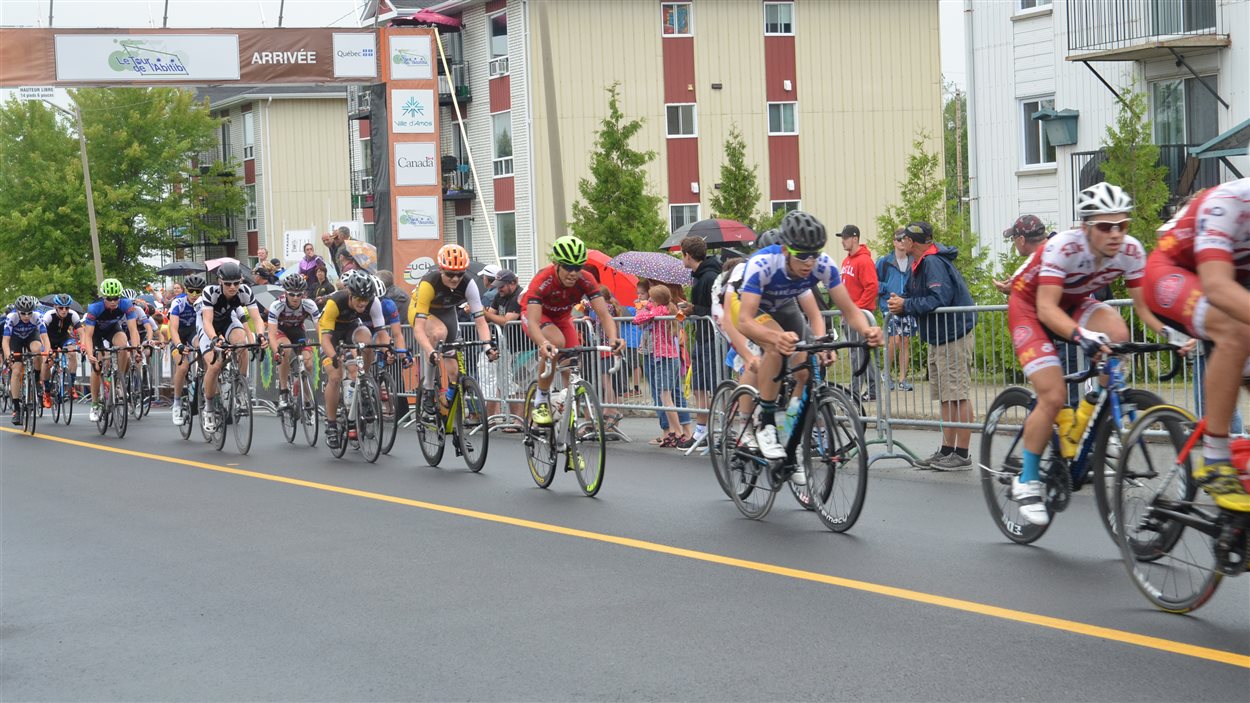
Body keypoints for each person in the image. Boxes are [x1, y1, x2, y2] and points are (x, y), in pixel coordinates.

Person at [1001, 183, 1189, 524]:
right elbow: (1045, 309)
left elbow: (1143, 307)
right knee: (1054, 394)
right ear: (1086, 227)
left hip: (1072, 303)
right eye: (1105, 226)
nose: (1116, 233)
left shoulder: (1131, 251)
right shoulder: (1063, 247)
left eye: (1123, 224)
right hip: (1031, 307)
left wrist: (1172, 334)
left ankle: (1090, 415)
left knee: (1119, 332)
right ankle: (1027, 479)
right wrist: (1081, 336)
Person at [737, 212, 884, 477]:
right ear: (785, 251)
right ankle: (766, 423)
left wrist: (867, 329)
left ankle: (788, 436)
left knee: (805, 371)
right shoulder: (764, 263)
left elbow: (849, 310)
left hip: (783, 305)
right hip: (752, 307)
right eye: (802, 255)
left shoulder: (822, 265)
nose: (809, 262)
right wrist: (775, 337)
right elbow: (744, 321)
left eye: (814, 254)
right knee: (775, 346)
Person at [1143, 177, 1250, 511]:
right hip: (1170, 274)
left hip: (1230, 282)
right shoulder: (1230, 201)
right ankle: (1216, 459)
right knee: (1235, 331)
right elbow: (1217, 287)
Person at [887, 221, 978, 472]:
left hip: (953, 335)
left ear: (912, 242)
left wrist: (905, 305)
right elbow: (915, 296)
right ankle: (947, 451)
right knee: (947, 397)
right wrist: (902, 301)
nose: (901, 242)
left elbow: (939, 298)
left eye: (904, 238)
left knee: (957, 395)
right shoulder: (921, 263)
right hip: (941, 336)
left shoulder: (932, 262)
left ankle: (962, 454)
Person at [523, 235, 624, 427]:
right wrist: (543, 344)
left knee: (572, 361)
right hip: (537, 316)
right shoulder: (543, 280)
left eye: (578, 267)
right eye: (568, 267)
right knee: (556, 343)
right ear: (556, 265)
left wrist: (614, 338)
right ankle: (541, 400)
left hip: (561, 318)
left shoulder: (586, 279)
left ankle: (568, 415)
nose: (573, 273)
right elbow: (534, 323)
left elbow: (604, 314)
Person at [408, 245, 497, 417]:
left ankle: (449, 399)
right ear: (441, 269)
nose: (455, 278)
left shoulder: (469, 284)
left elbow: (480, 321)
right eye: (450, 274)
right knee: (438, 333)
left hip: (447, 312)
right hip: (424, 312)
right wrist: (430, 351)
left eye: (460, 273)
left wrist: (488, 348)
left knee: (455, 372)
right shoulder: (429, 283)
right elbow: (419, 329)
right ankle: (428, 389)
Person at [319, 269, 388, 449]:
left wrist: (388, 349)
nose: (362, 303)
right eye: (358, 299)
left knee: (367, 339)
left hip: (351, 328)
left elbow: (381, 332)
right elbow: (325, 339)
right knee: (334, 377)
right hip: (331, 333)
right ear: (350, 294)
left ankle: (363, 378)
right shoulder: (336, 302)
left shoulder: (373, 301)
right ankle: (331, 424)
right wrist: (334, 357)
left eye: (366, 300)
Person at [197, 263, 263, 433]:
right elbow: (207, 322)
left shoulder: (245, 291)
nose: (232, 287)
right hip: (208, 324)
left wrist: (261, 336)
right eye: (228, 284)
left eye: (236, 283)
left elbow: (256, 318)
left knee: (242, 342)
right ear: (220, 281)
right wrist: (214, 339)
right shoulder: (210, 292)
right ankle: (209, 408)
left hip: (227, 320)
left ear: (241, 281)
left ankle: (240, 388)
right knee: (214, 366)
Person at [635, 284, 695, 446]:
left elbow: (638, 319)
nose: (648, 301)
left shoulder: (661, 310)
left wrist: (643, 308)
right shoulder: (670, 309)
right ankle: (675, 431)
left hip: (665, 357)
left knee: (666, 397)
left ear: (657, 300)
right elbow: (679, 318)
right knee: (665, 396)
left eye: (651, 299)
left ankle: (678, 432)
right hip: (664, 356)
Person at [677, 236, 722, 449]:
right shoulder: (699, 276)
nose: (681, 258)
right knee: (699, 386)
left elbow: (718, 308)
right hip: (702, 336)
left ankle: (717, 430)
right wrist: (693, 307)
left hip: (712, 338)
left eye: (681, 254)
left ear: (688, 255)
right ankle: (701, 431)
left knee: (713, 386)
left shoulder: (710, 276)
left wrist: (695, 310)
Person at [81, 279, 141, 423]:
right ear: (103, 297)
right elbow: (88, 336)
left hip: (112, 329)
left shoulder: (126, 303)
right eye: (109, 299)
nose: (113, 302)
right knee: (97, 366)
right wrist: (90, 354)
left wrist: (137, 349)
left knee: (124, 346)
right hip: (96, 333)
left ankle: (118, 381)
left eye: (116, 298)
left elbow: (133, 329)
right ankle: (95, 404)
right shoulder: (94, 307)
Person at [837, 224, 880, 402]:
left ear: (855, 238)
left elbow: (872, 287)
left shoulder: (864, 260)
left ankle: (857, 391)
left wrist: (856, 309)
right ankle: (870, 389)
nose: (842, 241)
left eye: (845, 238)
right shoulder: (846, 261)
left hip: (861, 315)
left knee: (859, 354)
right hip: (850, 314)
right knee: (861, 354)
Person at [267, 272, 322, 412]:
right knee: (285, 350)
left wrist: (324, 344)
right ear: (285, 293)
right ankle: (284, 392)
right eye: (292, 294)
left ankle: (306, 397)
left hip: (298, 331)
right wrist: (276, 352)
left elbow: (320, 329)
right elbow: (272, 335)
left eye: (299, 294)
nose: (296, 298)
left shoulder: (309, 304)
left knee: (309, 364)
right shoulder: (277, 305)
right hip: (281, 331)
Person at [877, 228, 916, 391]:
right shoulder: (884, 262)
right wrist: (886, 289)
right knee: (895, 338)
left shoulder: (913, 261)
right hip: (889, 305)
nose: (901, 242)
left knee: (905, 340)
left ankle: (902, 379)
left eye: (904, 239)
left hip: (906, 305)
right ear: (894, 242)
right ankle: (886, 373)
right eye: (898, 239)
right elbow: (874, 282)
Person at [2, 296, 51, 424]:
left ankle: (36, 379)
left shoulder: (37, 316)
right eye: (23, 313)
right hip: (15, 340)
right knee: (16, 371)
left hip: (31, 336)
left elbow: (45, 338)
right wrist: (8, 357)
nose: (26, 316)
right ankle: (17, 409)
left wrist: (47, 353)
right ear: (18, 311)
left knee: (37, 350)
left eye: (29, 313)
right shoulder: (11, 318)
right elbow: (5, 341)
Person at [483, 269, 523, 424]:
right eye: (498, 286)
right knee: (508, 382)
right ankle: (515, 419)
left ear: (513, 283)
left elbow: (507, 320)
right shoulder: (500, 296)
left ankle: (519, 420)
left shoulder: (518, 296)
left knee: (519, 383)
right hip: (508, 346)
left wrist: (486, 314)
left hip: (524, 346)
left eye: (502, 286)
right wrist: (485, 315)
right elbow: (490, 316)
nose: (499, 289)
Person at [168, 273, 205, 426]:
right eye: (191, 291)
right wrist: (179, 345)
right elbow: (173, 328)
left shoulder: (204, 303)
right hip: (178, 336)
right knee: (182, 367)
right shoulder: (178, 302)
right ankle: (176, 403)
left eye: (198, 291)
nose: (194, 295)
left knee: (203, 348)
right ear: (186, 290)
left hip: (193, 333)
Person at [40, 294, 81, 408]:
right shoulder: (49, 315)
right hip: (48, 339)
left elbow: (81, 332)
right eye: (61, 308)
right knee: (46, 361)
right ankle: (47, 392)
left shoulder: (73, 315)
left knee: (72, 353)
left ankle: (71, 386)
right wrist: (48, 351)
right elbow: (42, 334)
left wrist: (83, 345)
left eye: (66, 308)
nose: (64, 310)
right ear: (55, 307)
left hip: (64, 338)